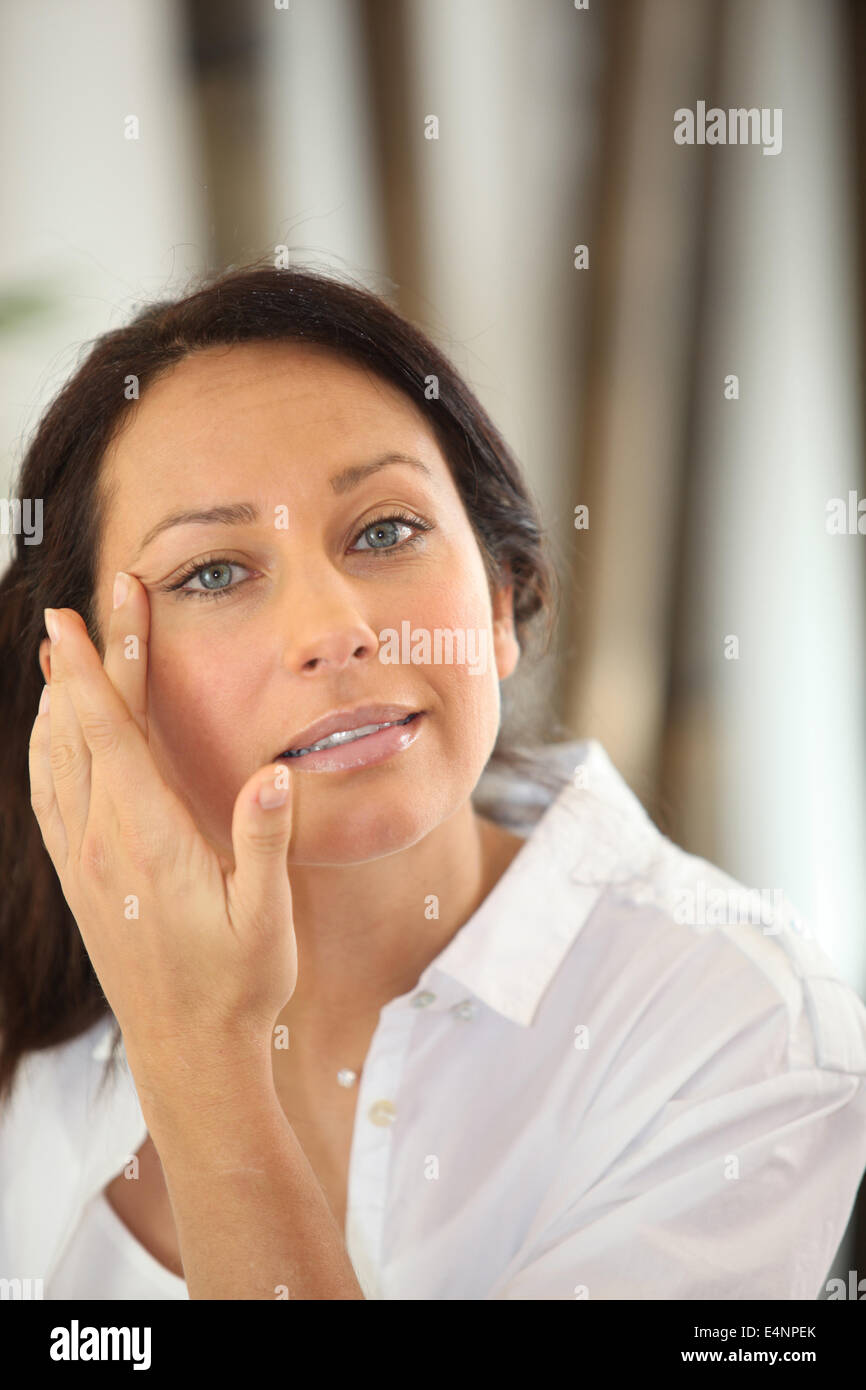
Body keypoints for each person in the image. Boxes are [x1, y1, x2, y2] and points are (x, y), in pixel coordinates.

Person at [0, 260, 864, 1300]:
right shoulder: (34, 1008)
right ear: (85, 679)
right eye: (214, 572)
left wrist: (200, 1062)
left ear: (498, 599)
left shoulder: (739, 1030)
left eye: (383, 529)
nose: (336, 631)